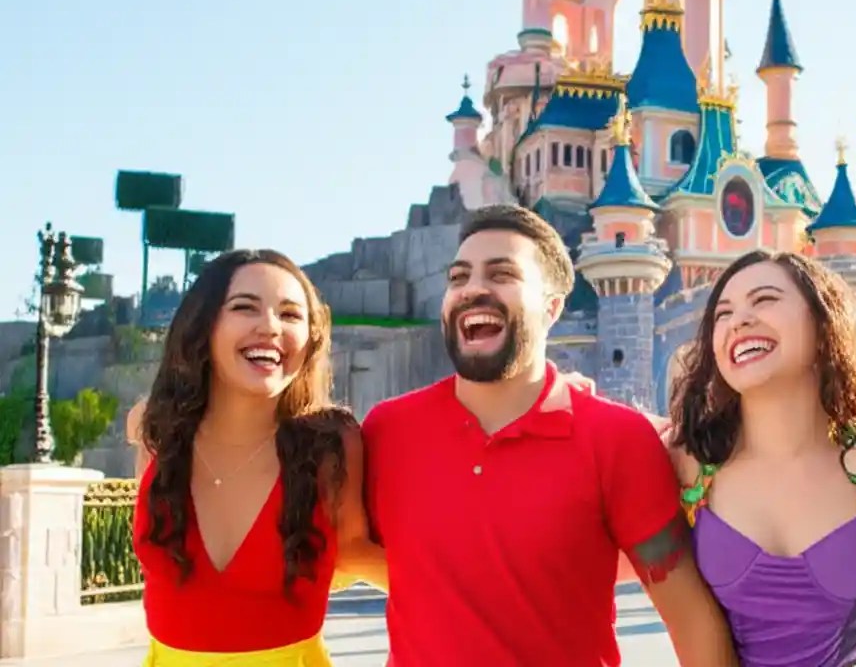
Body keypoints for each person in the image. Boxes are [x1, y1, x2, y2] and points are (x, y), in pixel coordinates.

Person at [361, 204, 737, 666]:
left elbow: (690, 616)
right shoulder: (387, 432)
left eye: (502, 274)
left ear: (553, 306)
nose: (473, 288)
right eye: (458, 278)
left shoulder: (617, 439)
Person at [129, 249, 385, 666]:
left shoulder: (333, 445)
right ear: (205, 325)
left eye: (290, 315)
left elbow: (354, 551)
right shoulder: (155, 429)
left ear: (311, 338)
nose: (269, 327)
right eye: (244, 307)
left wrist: (488, 593)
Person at [666, 249, 856, 667]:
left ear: (823, 326)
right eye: (722, 314)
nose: (738, 320)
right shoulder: (688, 463)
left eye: (764, 299)